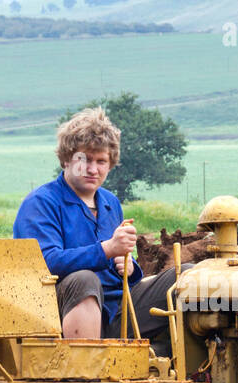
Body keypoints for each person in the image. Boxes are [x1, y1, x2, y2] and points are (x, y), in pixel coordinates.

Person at [14, 107, 177, 355]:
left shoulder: (111, 204)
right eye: (84, 160)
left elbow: (119, 262)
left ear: (110, 164)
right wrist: (107, 249)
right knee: (84, 279)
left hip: (117, 311)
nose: (92, 169)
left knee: (184, 277)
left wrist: (130, 268)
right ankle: (85, 366)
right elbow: (44, 262)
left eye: (101, 161)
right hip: (60, 315)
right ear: (67, 159)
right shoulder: (40, 203)